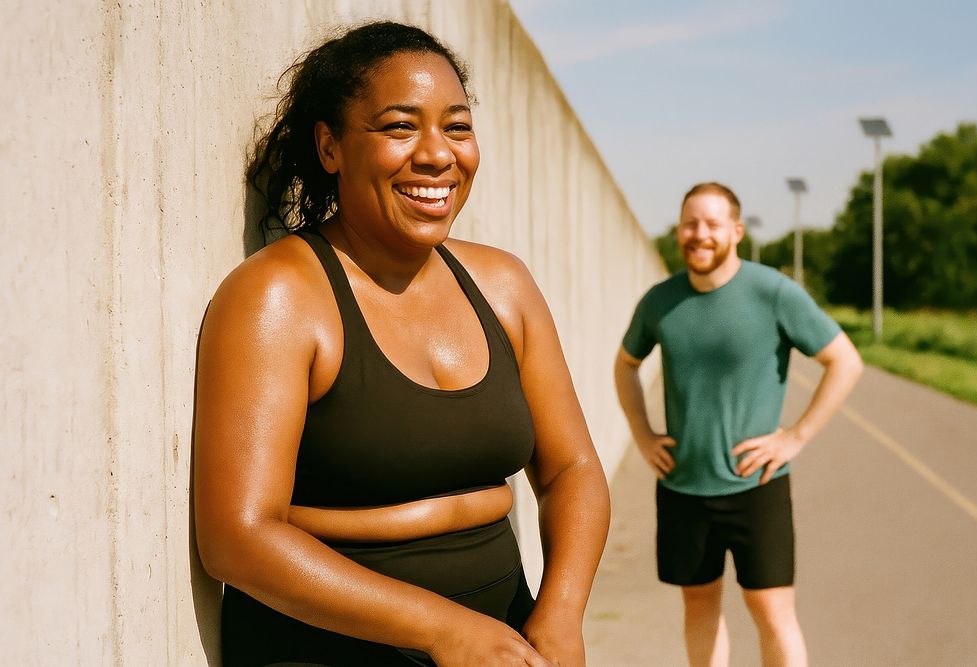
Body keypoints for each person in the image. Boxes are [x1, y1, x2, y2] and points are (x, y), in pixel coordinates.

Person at [194, 21, 610, 666]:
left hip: (501, 639)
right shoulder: (279, 296)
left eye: (457, 127)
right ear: (330, 147)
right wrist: (444, 631)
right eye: (399, 127)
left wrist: (560, 612)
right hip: (326, 649)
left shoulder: (503, 285)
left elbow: (572, 471)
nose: (438, 154)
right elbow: (237, 537)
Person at [613, 182, 863, 666]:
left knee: (771, 611)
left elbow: (845, 362)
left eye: (712, 223)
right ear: (679, 230)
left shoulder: (773, 293)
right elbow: (625, 365)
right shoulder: (660, 301)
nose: (699, 234)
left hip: (757, 484)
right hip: (683, 485)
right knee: (699, 605)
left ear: (737, 231)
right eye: (690, 223)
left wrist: (796, 437)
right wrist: (642, 435)